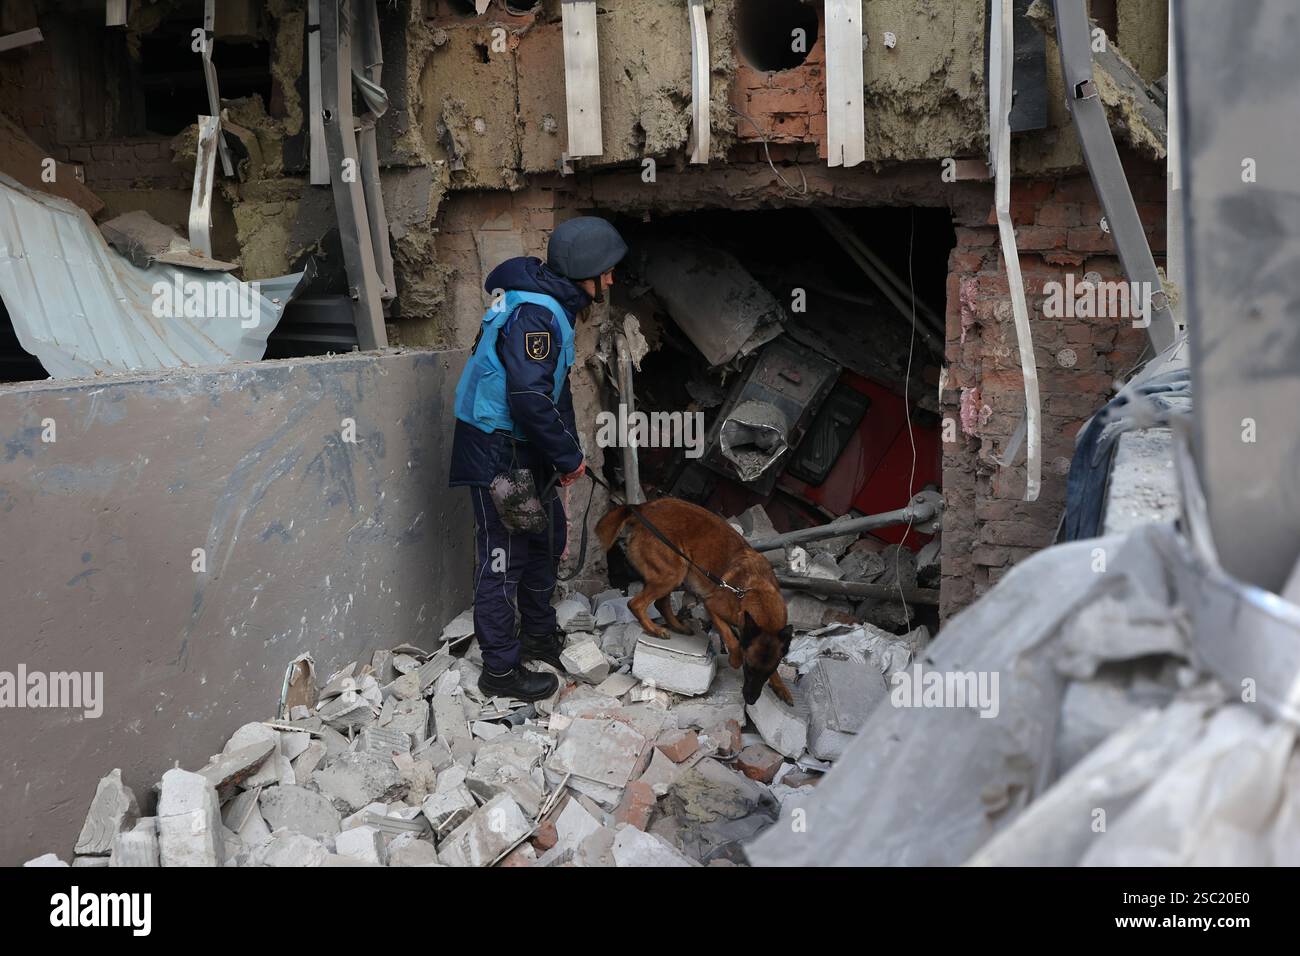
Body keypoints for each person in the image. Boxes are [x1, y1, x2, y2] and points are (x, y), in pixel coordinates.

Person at [448, 216, 628, 701]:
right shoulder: (537, 315)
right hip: (496, 449)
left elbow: (554, 390)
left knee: (545, 542)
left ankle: (539, 636)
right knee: (502, 558)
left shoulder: (552, 306)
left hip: (524, 445)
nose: (611, 280)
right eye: (606, 271)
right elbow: (528, 395)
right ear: (583, 269)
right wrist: (567, 457)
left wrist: (566, 453)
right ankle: (501, 674)